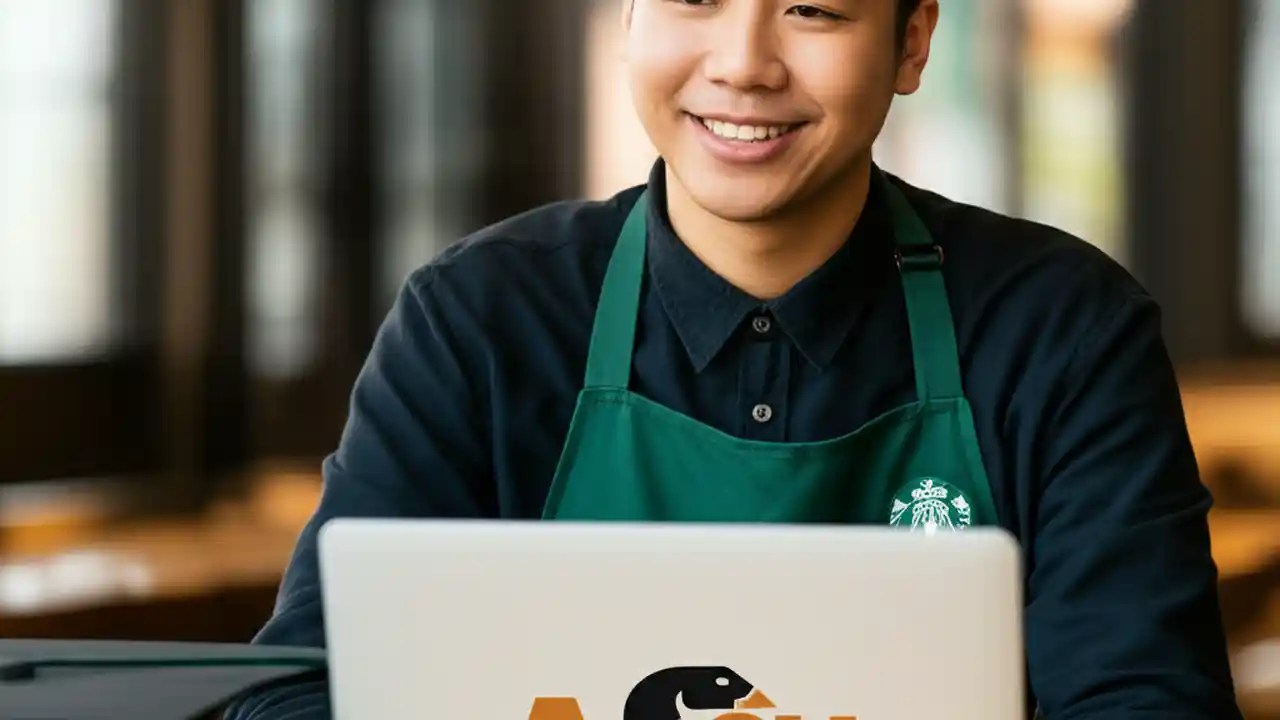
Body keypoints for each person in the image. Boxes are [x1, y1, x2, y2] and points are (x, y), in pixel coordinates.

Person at [228, 0, 1242, 717]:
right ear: (627, 18)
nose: (744, 62)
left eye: (811, 10)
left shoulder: (1062, 330)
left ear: (912, 40)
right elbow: (300, 689)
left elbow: (1143, 697)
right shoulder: (479, 320)